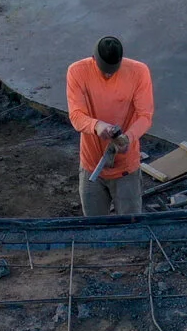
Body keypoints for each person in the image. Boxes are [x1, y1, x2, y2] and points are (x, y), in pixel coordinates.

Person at [65, 35, 152, 216]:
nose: (108, 75)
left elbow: (145, 116)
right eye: (104, 70)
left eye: (113, 71)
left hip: (126, 170)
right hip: (92, 166)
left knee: (130, 227)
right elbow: (76, 115)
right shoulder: (77, 72)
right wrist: (97, 126)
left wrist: (128, 137)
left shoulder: (138, 72)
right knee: (95, 227)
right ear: (93, 58)